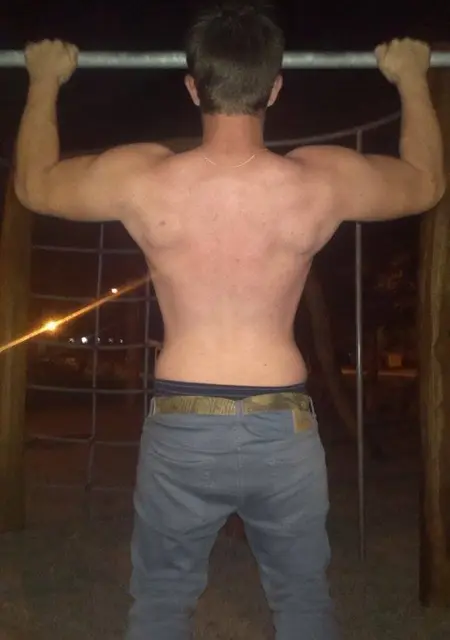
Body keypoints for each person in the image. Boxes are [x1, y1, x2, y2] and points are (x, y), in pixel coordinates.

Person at [14, 3, 445, 639]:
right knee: (302, 600)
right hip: (283, 426)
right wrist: (410, 77)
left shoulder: (144, 179)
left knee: (161, 603)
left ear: (194, 88)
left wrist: (45, 79)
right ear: (275, 87)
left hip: (183, 426)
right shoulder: (317, 181)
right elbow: (426, 182)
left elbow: (35, 185)